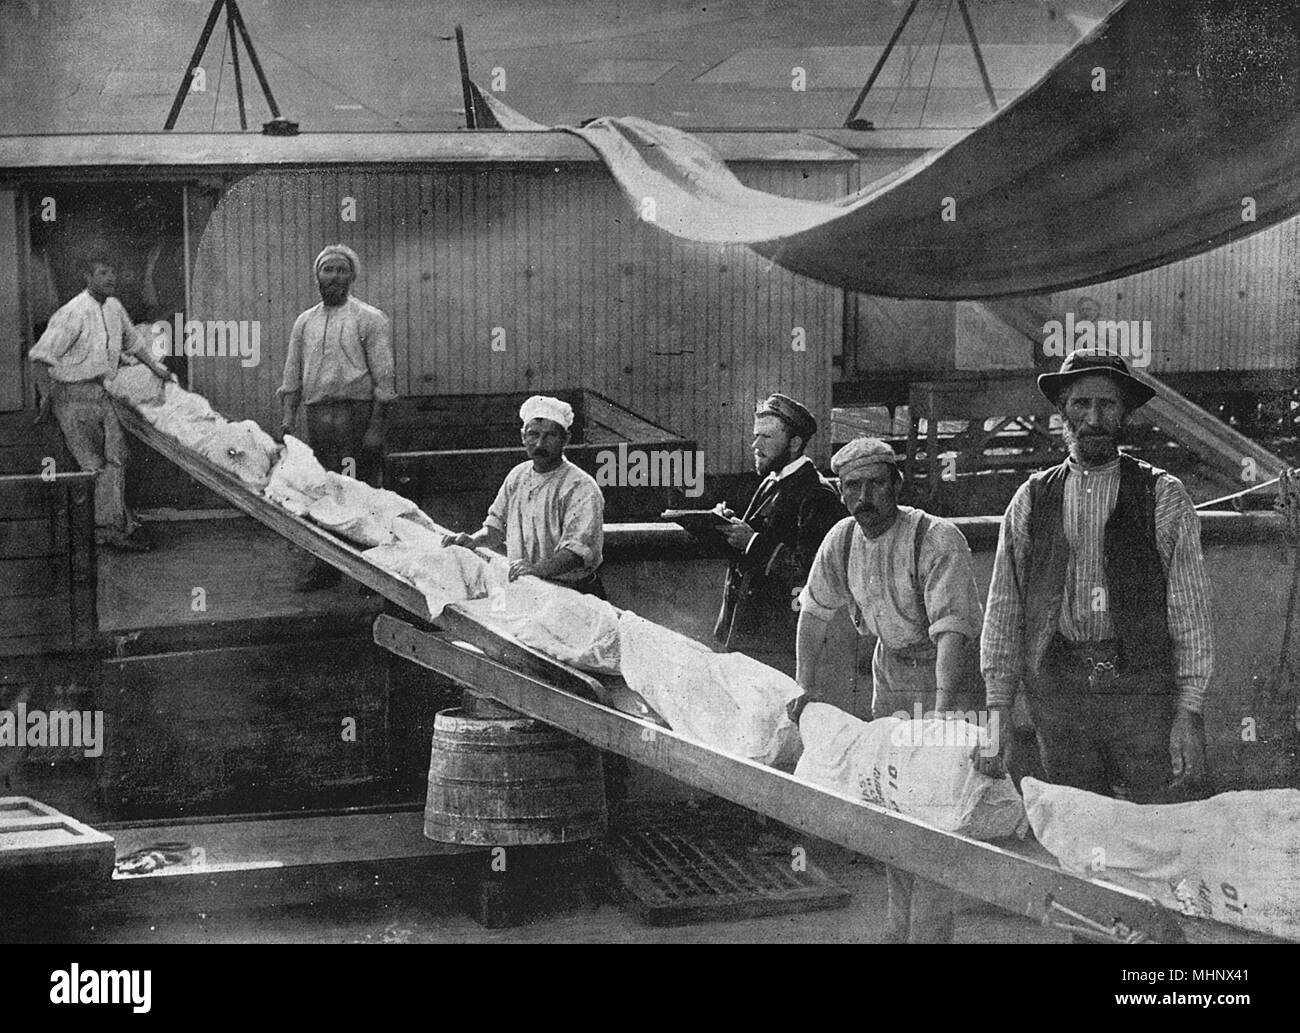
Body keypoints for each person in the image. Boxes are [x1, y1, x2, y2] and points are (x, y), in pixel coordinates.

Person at [975, 349, 1214, 806]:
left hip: (1141, 694)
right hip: (1060, 696)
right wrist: (998, 709)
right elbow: (1005, 608)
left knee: (1152, 822)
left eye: (1107, 404)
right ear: (1063, 411)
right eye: (1081, 404)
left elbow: (1190, 613)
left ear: (1124, 412)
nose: (1094, 418)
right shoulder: (1030, 499)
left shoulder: (1163, 496)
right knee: (1075, 819)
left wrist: (1189, 710)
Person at [789, 436, 985, 944]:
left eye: (876, 484)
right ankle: (900, 932)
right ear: (841, 491)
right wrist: (803, 685)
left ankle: (929, 936)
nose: (864, 497)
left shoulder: (936, 539)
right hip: (891, 674)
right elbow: (813, 612)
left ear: (897, 483)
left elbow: (953, 633)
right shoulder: (842, 540)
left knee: (938, 810)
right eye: (852, 487)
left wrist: (942, 715)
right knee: (894, 803)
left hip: (950, 674)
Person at [29, 253, 175, 552]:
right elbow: (40, 358)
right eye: (103, 272)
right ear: (88, 276)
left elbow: (133, 343)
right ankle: (104, 529)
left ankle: (113, 524)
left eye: (113, 272)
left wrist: (155, 368)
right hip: (72, 395)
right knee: (92, 464)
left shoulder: (114, 306)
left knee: (118, 456)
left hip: (100, 390)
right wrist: (46, 397)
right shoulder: (73, 312)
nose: (111, 278)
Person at [277, 243, 396, 590]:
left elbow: (385, 379)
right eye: (328, 270)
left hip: (356, 418)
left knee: (361, 492)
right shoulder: (305, 322)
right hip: (319, 418)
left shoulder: (369, 319)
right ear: (317, 275)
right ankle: (327, 566)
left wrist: (375, 428)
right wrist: (288, 420)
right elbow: (292, 375)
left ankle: (373, 571)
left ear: (352, 277)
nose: (334, 277)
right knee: (324, 491)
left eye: (341, 270)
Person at [714, 394, 845, 675]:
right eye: (755, 436)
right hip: (748, 635)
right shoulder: (773, 481)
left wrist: (750, 542)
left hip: (779, 644)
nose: (755, 446)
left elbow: (811, 574)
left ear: (795, 443)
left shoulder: (817, 494)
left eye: (766, 438)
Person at [444, 395, 606, 597]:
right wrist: (473, 541)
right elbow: (495, 528)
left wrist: (538, 569)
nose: (539, 443)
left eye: (550, 436)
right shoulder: (518, 476)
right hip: (529, 587)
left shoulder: (580, 487)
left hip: (574, 593)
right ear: (523, 437)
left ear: (566, 439)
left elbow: (576, 552)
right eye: (533, 434)